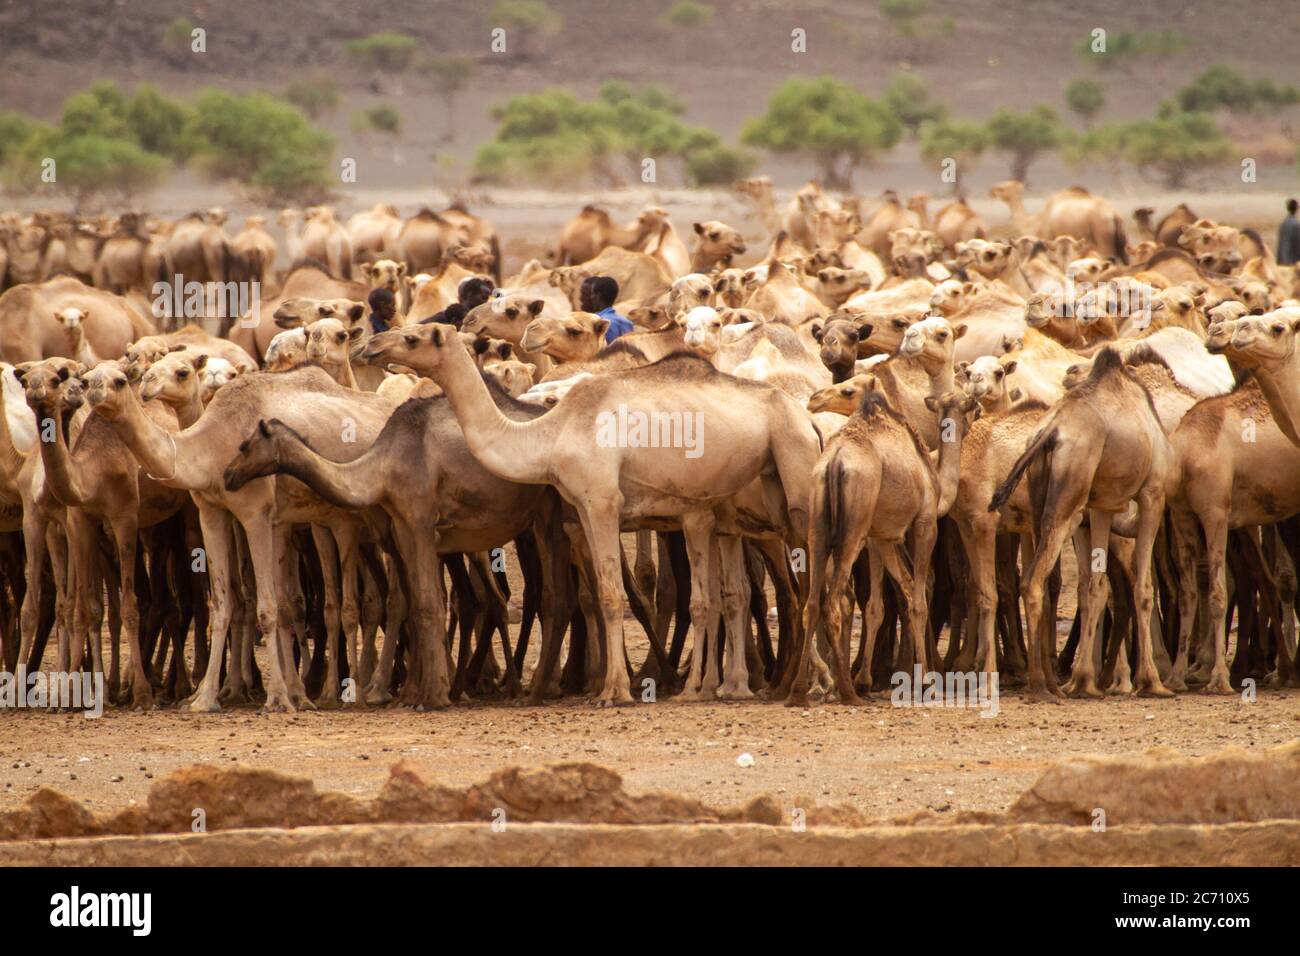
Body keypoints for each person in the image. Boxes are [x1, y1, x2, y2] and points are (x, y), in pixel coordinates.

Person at [580, 275, 633, 344]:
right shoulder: (627, 323)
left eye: (586, 294)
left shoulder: (597, 324)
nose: (581, 299)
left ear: (597, 297)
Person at [1278, 198, 1300, 266]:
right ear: (1296, 209)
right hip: (1292, 262)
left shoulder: (1282, 224)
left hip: (1282, 261)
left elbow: (1280, 244)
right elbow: (1298, 245)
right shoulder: (1296, 225)